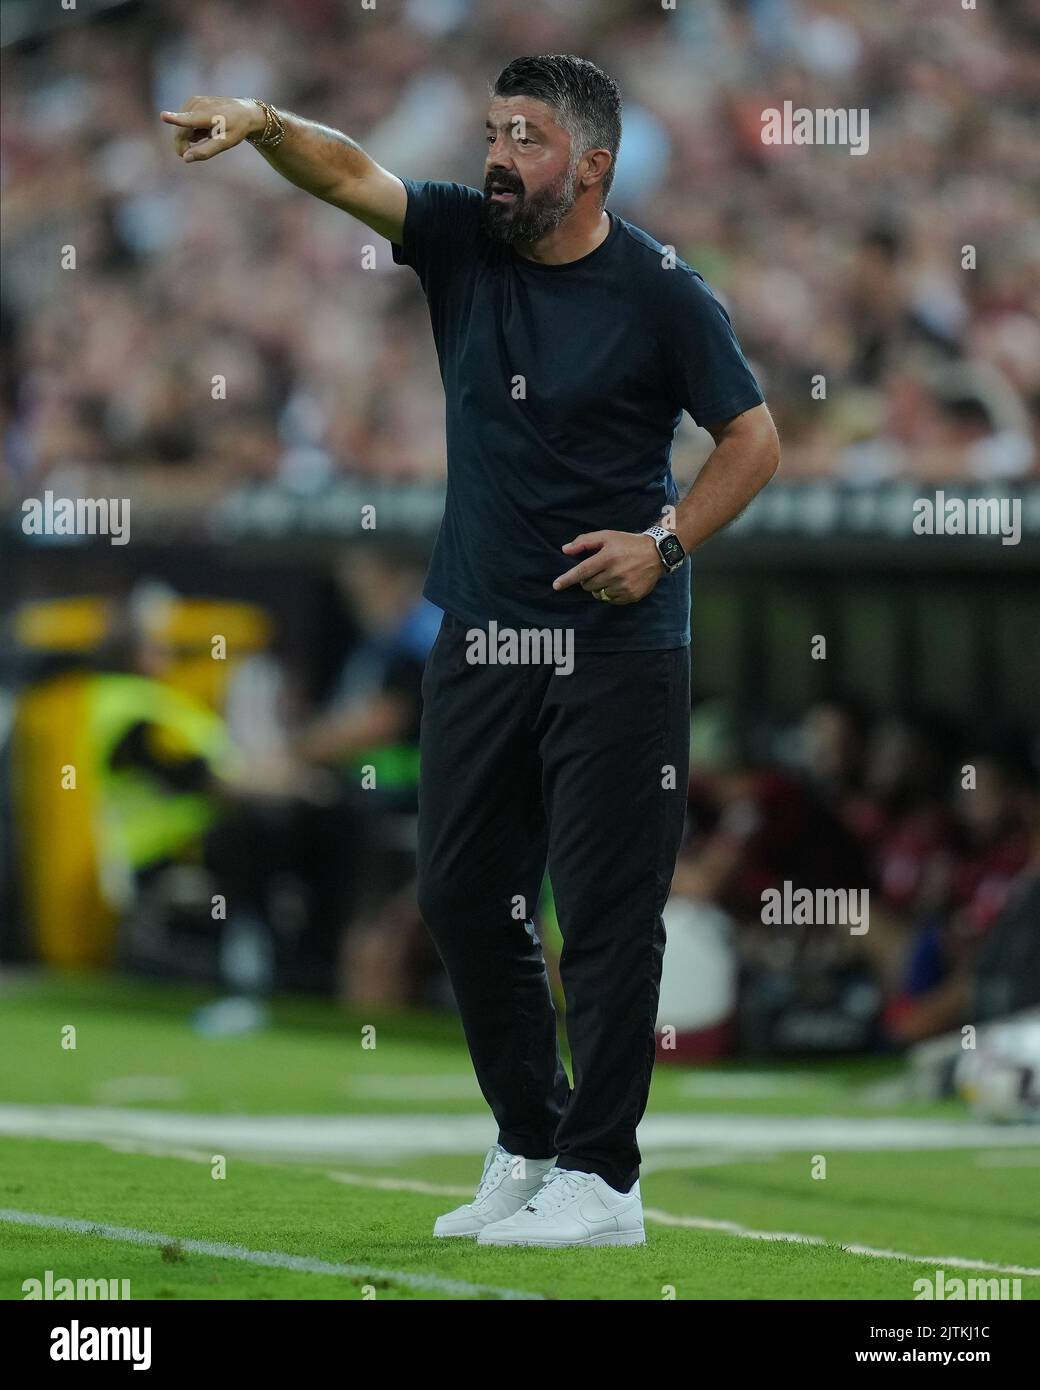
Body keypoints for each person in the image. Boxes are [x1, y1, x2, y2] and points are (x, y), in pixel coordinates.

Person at [160, 53, 779, 1248]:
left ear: (591, 166)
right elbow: (347, 171)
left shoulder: (662, 291)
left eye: (528, 136)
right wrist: (262, 120)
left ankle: (602, 1180)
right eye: (495, 130)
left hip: (613, 646)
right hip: (482, 636)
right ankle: (531, 1137)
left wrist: (663, 539)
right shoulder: (461, 238)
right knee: (456, 893)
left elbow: (750, 440)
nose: (498, 155)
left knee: (601, 915)